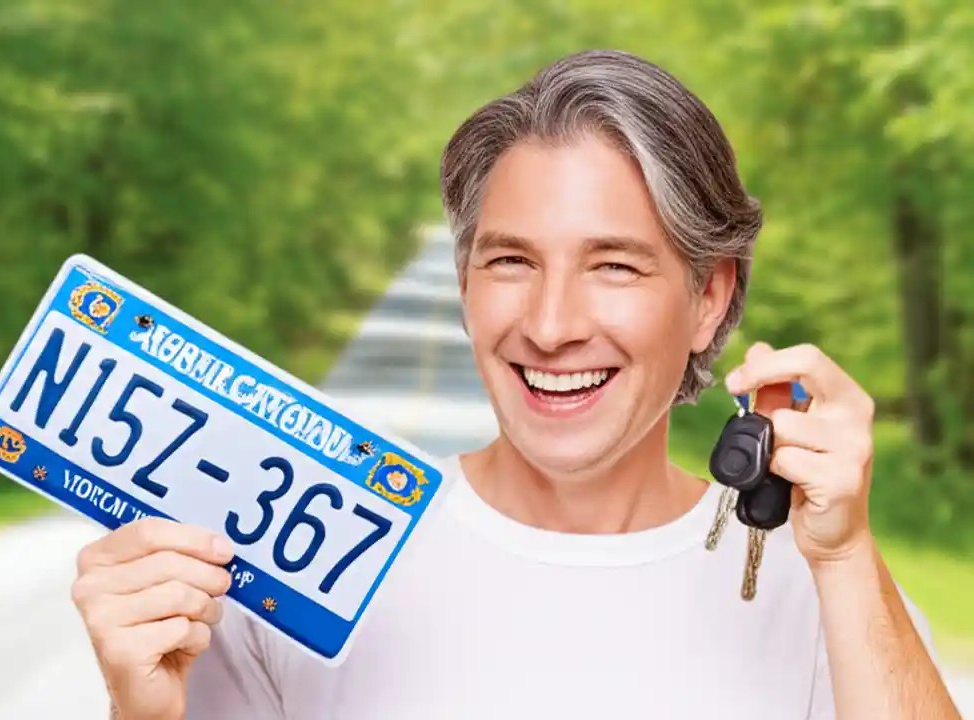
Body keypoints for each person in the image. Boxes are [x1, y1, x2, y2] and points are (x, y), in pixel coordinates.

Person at [69, 49, 961, 719]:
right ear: (463, 286)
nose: (549, 322)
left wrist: (843, 560)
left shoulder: (822, 592)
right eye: (510, 261)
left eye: (613, 265)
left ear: (708, 298)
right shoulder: (302, 566)